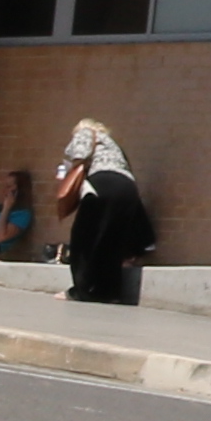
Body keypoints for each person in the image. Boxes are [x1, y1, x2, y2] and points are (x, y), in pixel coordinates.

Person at [54, 121, 157, 305]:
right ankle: (110, 293)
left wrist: (66, 175)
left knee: (83, 238)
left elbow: (79, 157)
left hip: (102, 184)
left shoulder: (86, 132)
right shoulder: (113, 145)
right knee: (112, 242)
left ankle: (81, 291)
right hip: (128, 188)